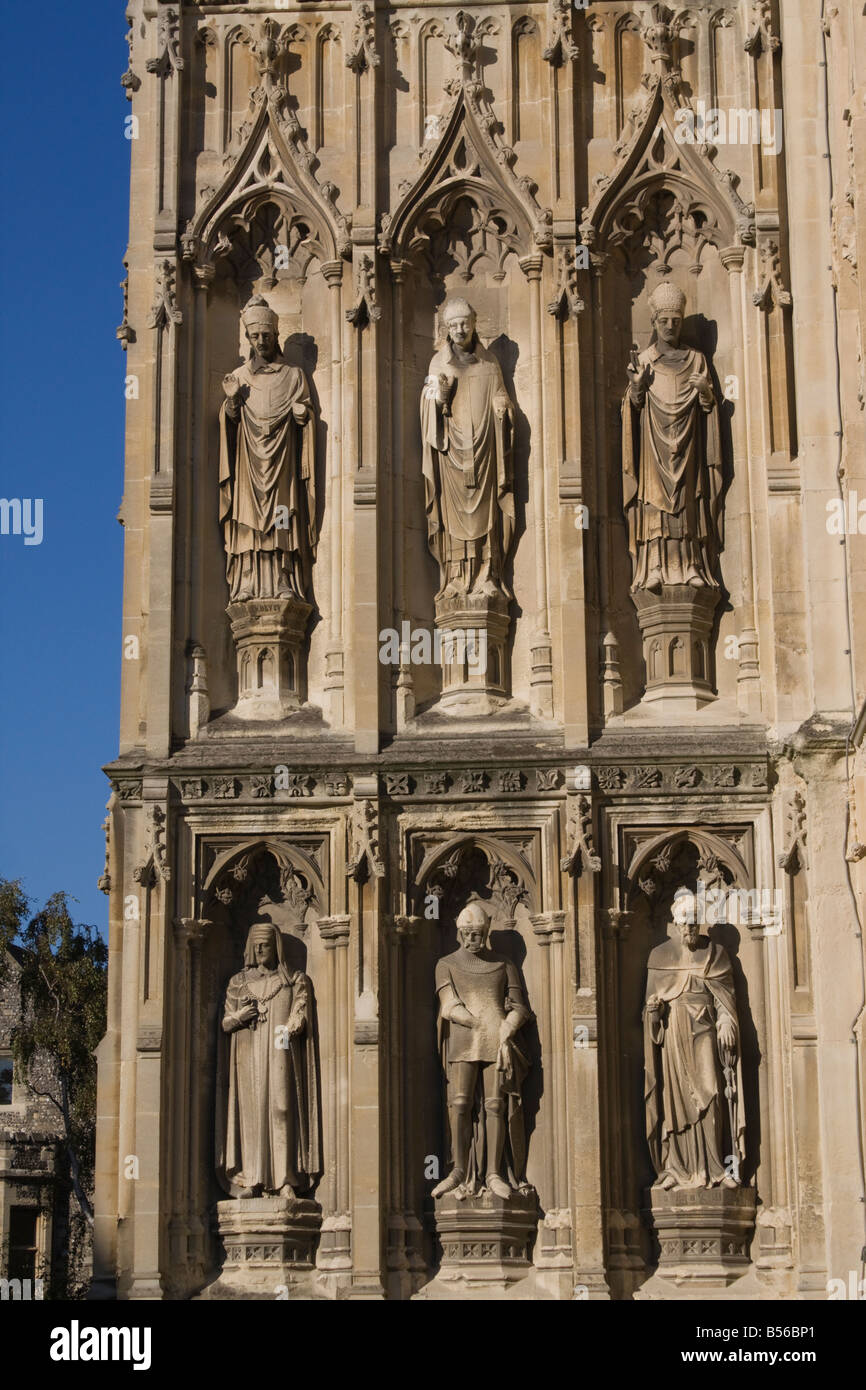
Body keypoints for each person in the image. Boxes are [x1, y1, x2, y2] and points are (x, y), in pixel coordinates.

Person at [622, 281, 723, 594]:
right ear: (654, 322)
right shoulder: (645, 362)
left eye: (676, 322)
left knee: (687, 505)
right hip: (653, 449)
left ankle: (691, 565)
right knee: (655, 506)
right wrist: (637, 387)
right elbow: (632, 408)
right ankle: (653, 566)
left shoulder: (697, 360)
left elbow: (709, 408)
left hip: (687, 444)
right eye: (664, 321)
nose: (670, 327)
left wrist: (706, 392)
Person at [643, 887, 745, 1190]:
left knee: (712, 1092)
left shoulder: (716, 954)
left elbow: (726, 1001)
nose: (691, 926)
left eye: (695, 920)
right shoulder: (659, 955)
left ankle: (716, 1168)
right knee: (676, 1103)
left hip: (704, 1032)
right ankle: (678, 1167)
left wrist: (727, 1022)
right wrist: (653, 1012)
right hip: (674, 1036)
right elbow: (650, 1010)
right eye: (685, 921)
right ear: (675, 922)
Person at [219, 296, 317, 602]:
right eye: (255, 336)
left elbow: (305, 416)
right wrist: (233, 401)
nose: (261, 341)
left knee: (282, 518)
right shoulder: (240, 377)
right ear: (248, 338)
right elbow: (230, 421)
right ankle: (247, 580)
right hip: (249, 465)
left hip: (282, 462)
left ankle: (282, 576)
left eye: (266, 335)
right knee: (248, 519)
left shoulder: (293, 376)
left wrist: (303, 416)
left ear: (275, 336)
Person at [432, 898, 531, 1199]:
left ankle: (494, 1173)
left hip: (497, 1038)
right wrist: (477, 1023)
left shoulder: (504, 964)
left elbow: (519, 1006)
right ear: (460, 933)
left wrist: (507, 1026)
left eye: (477, 934)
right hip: (465, 1039)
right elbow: (449, 1005)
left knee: (495, 1105)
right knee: (460, 1103)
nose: (472, 939)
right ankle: (458, 1170)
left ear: (485, 932)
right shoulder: (446, 964)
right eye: (467, 934)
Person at [420, 299, 515, 602]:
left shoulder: (490, 365)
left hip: (485, 454)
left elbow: (502, 398)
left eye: (464, 323)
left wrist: (503, 409)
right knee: (454, 521)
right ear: (445, 329)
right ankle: (456, 578)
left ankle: (488, 575)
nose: (460, 330)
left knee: (487, 517)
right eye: (453, 325)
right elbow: (428, 404)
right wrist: (438, 400)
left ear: (474, 323)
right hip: (452, 459)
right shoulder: (438, 364)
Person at [216, 922, 320, 1198]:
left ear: (276, 948)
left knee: (282, 1108)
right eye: (257, 945)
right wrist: (240, 1017)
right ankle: (253, 1179)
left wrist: (291, 1027)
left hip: (281, 1053)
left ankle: (285, 1178)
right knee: (251, 1113)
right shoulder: (238, 983)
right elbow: (226, 1023)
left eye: (266, 945)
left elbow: (301, 1011)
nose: (261, 950)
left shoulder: (294, 979)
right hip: (247, 1058)